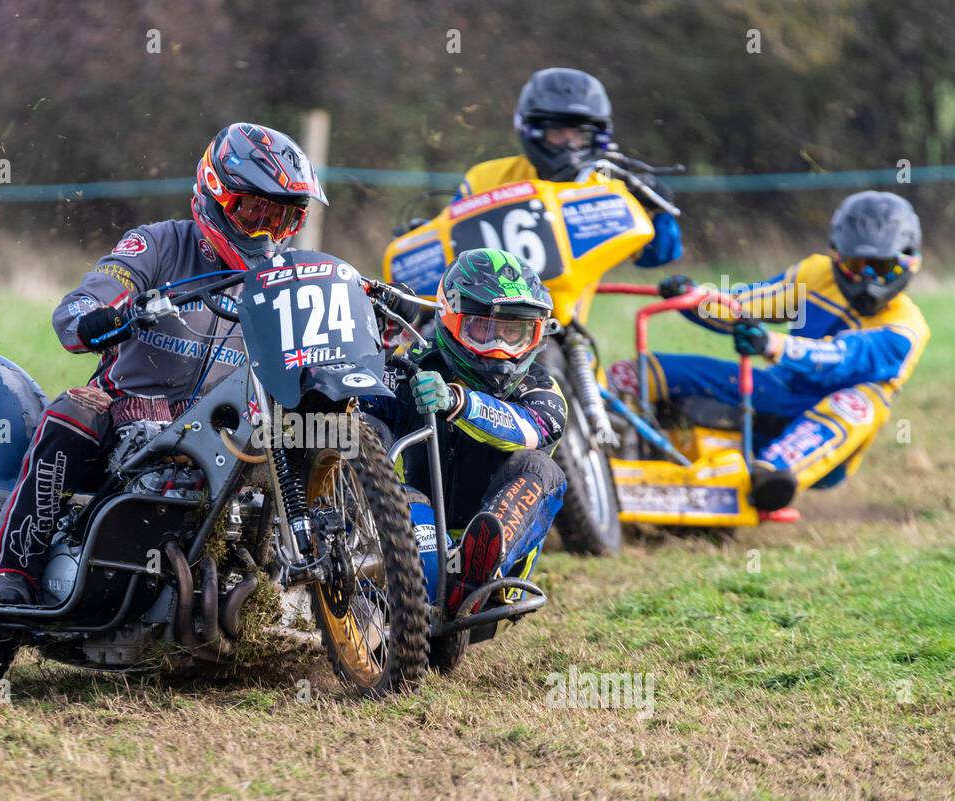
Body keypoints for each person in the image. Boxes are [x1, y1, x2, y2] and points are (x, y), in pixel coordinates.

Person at [0, 122, 341, 603]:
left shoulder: (287, 280)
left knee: (316, 431)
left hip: (224, 432)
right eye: (255, 212)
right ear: (217, 193)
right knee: (73, 412)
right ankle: (11, 571)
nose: (265, 232)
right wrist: (109, 315)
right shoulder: (158, 244)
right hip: (127, 416)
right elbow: (77, 310)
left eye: (281, 220)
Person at [611, 191, 928, 511]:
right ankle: (600, 442)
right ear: (836, 256)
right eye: (856, 264)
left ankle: (770, 477)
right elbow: (746, 304)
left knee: (861, 403)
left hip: (831, 436)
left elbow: (838, 360)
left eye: (882, 267)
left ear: (909, 263)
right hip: (776, 393)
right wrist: (695, 299)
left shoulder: (904, 329)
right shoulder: (815, 275)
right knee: (645, 370)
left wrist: (771, 344)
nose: (866, 279)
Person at [365, 249, 567, 613]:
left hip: (498, 553)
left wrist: (459, 402)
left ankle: (481, 564)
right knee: (366, 437)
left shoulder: (542, 389)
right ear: (450, 318)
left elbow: (532, 430)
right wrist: (373, 337)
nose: (501, 349)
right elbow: (352, 401)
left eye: (514, 333)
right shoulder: (412, 368)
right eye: (484, 330)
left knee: (542, 468)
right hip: (414, 519)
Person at [458, 66, 681, 268]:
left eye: (579, 135)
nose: (569, 145)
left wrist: (657, 213)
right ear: (532, 132)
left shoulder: (607, 192)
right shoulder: (487, 178)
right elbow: (447, 244)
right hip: (486, 308)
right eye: (557, 132)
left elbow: (655, 256)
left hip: (566, 312)